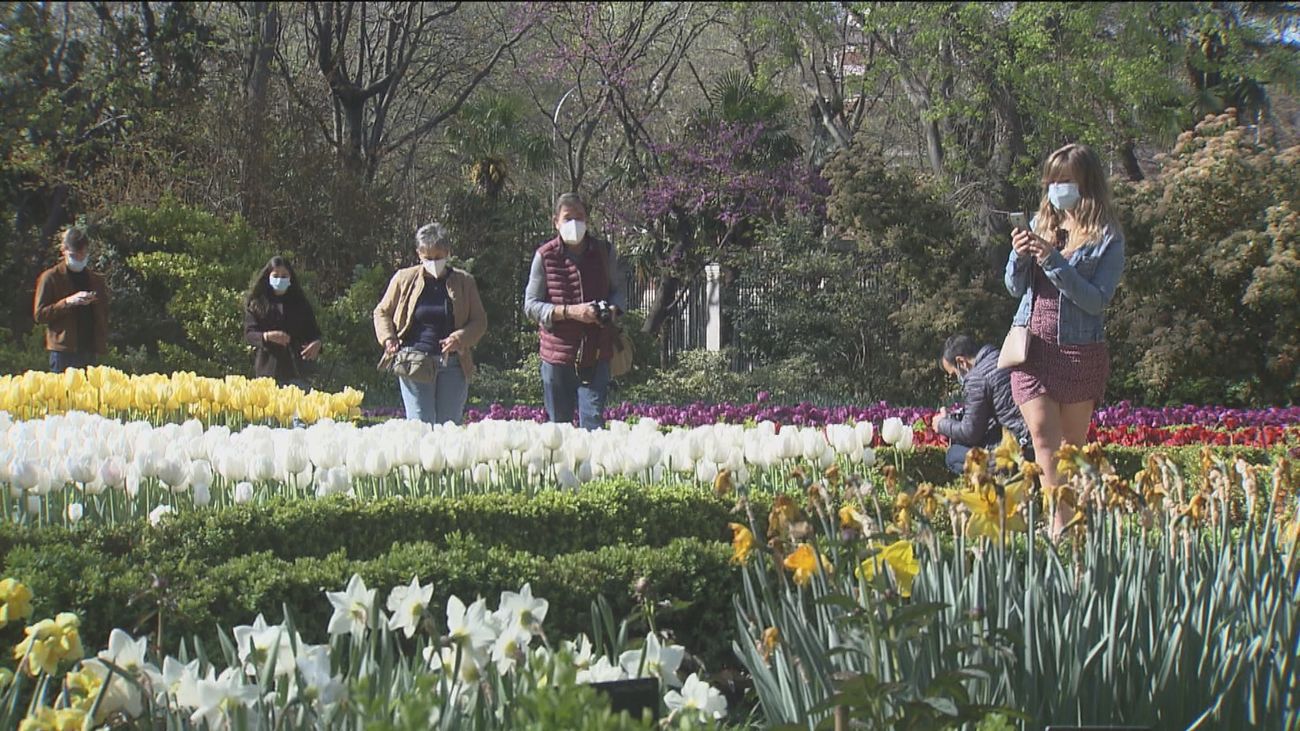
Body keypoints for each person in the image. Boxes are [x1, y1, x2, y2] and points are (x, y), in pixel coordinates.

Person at [1005, 143, 1125, 534]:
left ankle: (1069, 529)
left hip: (1078, 353)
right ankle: (1059, 529)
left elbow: (1097, 300)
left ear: (1086, 182)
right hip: (1032, 351)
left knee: (1068, 453)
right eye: (1051, 181)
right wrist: (1020, 256)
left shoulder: (1107, 238)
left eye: (1065, 181)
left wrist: (1053, 261)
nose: (1056, 189)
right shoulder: (1043, 225)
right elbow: (1013, 287)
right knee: (1042, 438)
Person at [523, 192, 626, 430]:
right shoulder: (545, 256)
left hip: (596, 351)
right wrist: (569, 312)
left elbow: (619, 291)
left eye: (580, 217)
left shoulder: (604, 251)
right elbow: (531, 305)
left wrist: (612, 309)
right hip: (557, 355)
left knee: (593, 423)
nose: (574, 224)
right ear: (556, 222)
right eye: (568, 218)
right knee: (559, 429)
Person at [373, 222, 486, 426]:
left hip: (453, 363)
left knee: (449, 427)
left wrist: (460, 338)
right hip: (415, 362)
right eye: (428, 258)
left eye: (438, 257)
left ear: (448, 252)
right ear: (419, 254)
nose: (434, 262)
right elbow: (382, 311)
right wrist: (388, 338)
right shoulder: (403, 279)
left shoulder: (464, 281)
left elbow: (479, 321)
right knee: (420, 425)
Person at [931, 334, 1031, 475]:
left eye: (954, 375)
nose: (956, 379)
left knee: (953, 455)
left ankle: (997, 481)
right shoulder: (998, 356)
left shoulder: (976, 378)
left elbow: (971, 432)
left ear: (961, 362)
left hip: (1015, 452)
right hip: (1028, 438)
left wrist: (942, 424)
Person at [33, 227, 111, 372]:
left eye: (83, 254)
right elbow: (40, 315)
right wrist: (68, 302)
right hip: (63, 351)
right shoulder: (50, 278)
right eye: (75, 255)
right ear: (64, 250)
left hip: (89, 349)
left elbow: (104, 312)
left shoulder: (95, 279)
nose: (80, 259)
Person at [243, 256, 323, 388]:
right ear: (268, 277)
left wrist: (317, 344)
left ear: (291, 278)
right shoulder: (257, 304)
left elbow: (314, 333)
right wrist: (267, 336)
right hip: (267, 373)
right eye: (276, 275)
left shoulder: (300, 304)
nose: (280, 279)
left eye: (284, 276)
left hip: (297, 373)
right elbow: (249, 334)